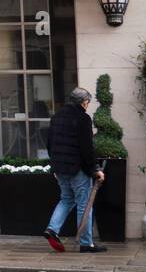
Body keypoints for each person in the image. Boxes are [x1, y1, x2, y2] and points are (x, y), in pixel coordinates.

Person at [44, 87, 107, 253]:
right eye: (87, 102)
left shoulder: (56, 117)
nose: (87, 105)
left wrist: (55, 164)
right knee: (84, 205)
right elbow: (87, 148)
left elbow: (49, 143)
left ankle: (52, 229)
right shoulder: (83, 118)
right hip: (77, 168)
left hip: (60, 167)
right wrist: (95, 169)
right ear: (83, 102)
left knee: (66, 198)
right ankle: (86, 243)